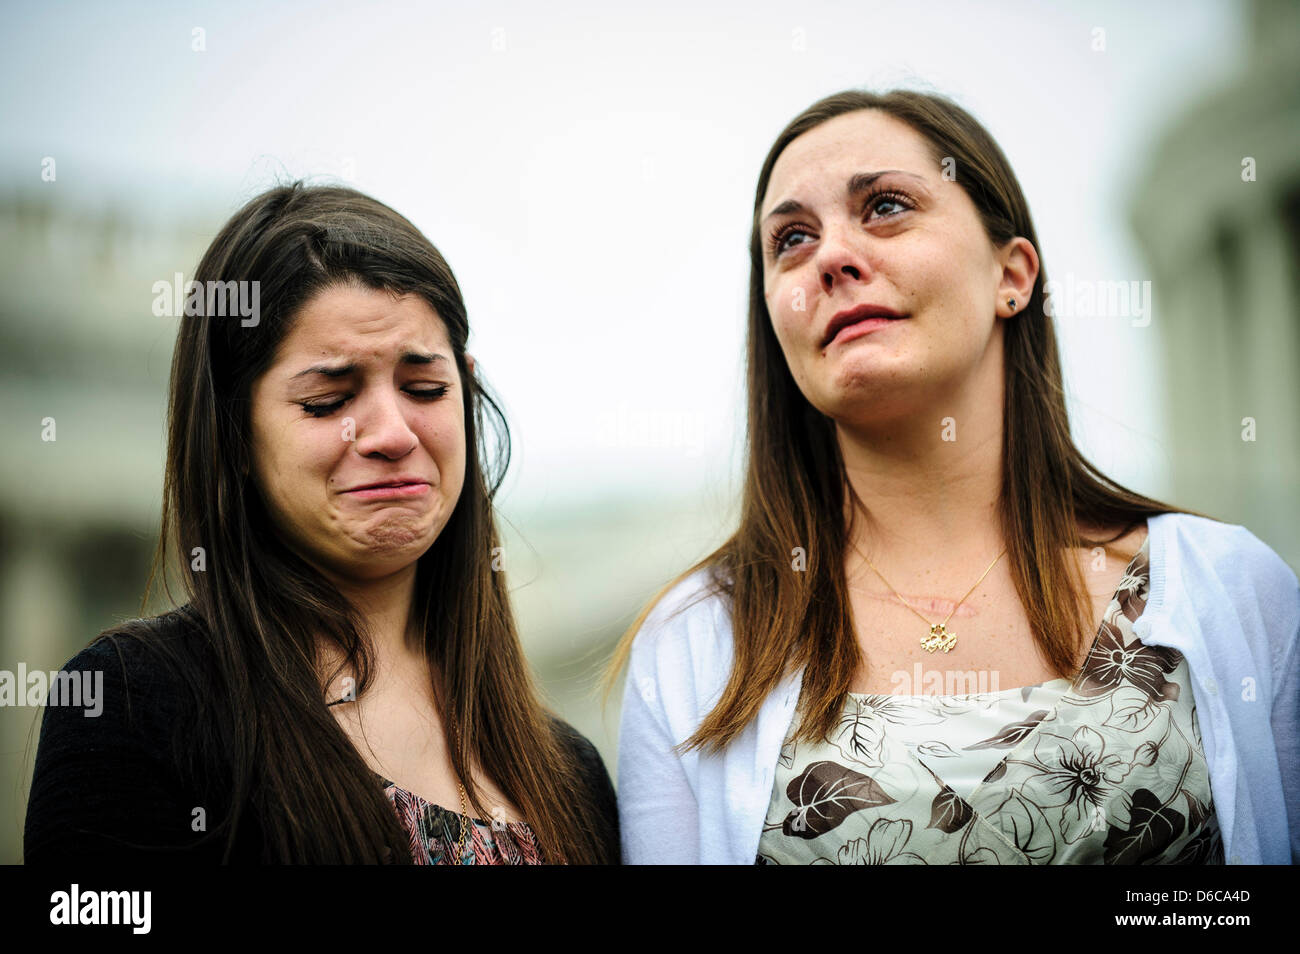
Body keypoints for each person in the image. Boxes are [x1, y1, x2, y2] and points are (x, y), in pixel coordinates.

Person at [609, 89, 1299, 865]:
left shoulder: (1235, 595)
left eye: (887, 206)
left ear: (1013, 274)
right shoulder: (699, 646)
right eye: (792, 239)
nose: (832, 256)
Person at [25, 182, 619, 864]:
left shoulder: (573, 775)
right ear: (233, 433)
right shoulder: (135, 708)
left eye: (425, 388)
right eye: (327, 399)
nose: (391, 433)